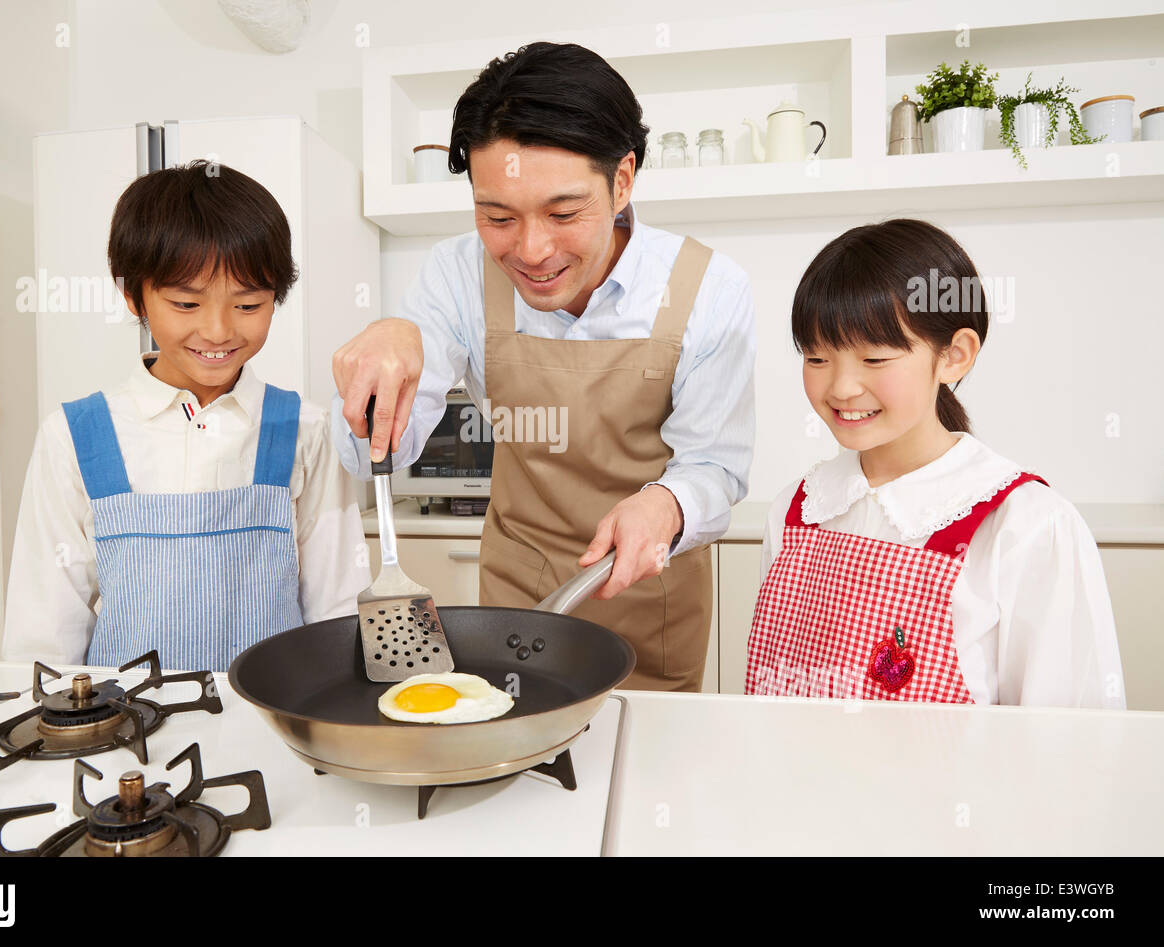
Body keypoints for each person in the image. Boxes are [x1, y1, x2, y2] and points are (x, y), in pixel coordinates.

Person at [332, 43, 756, 691]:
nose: (531, 250)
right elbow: (371, 456)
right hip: (515, 596)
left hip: (649, 601)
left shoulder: (708, 287)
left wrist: (666, 503)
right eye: (497, 216)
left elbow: (716, 467)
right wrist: (383, 372)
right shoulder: (454, 276)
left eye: (563, 213)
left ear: (622, 181)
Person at [2, 160, 369, 671]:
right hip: (122, 736)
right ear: (135, 296)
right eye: (185, 303)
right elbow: (42, 638)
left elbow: (339, 612)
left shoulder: (305, 430)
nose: (218, 331)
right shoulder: (75, 435)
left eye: (248, 305)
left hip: (272, 726)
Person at [747, 218, 1124, 707]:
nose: (840, 388)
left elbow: (1067, 743)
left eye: (874, 359)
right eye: (817, 358)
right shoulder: (797, 511)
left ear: (954, 356)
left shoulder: (1026, 527)